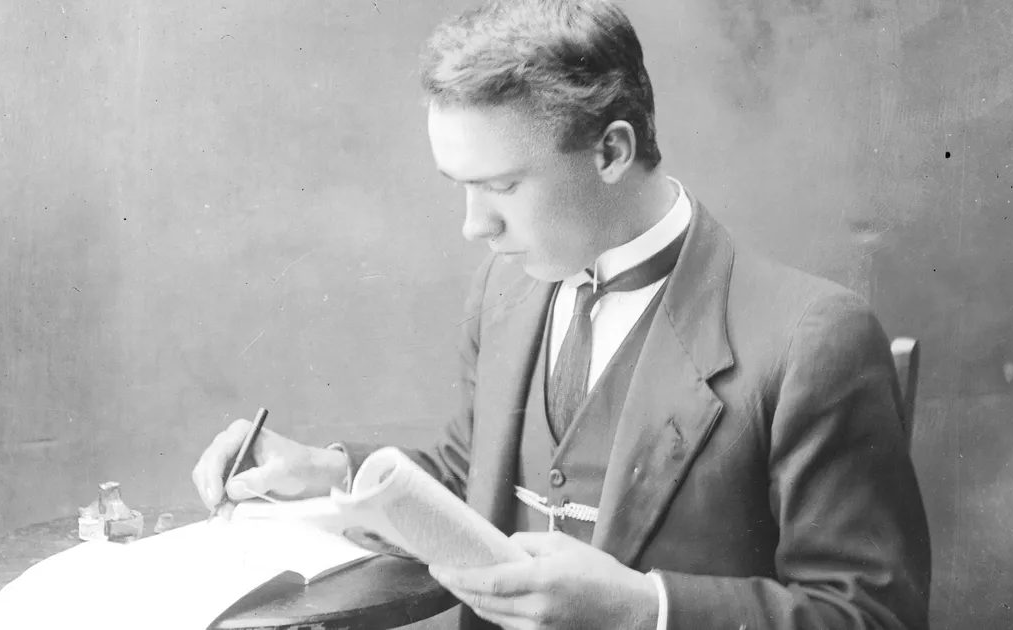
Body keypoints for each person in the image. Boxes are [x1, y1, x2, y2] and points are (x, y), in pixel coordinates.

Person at [192, 1, 932, 628]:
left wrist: (646, 607)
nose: (474, 226)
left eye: (503, 186)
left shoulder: (812, 338)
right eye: (461, 187)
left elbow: (870, 614)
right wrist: (326, 472)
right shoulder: (505, 291)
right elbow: (473, 479)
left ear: (612, 151)